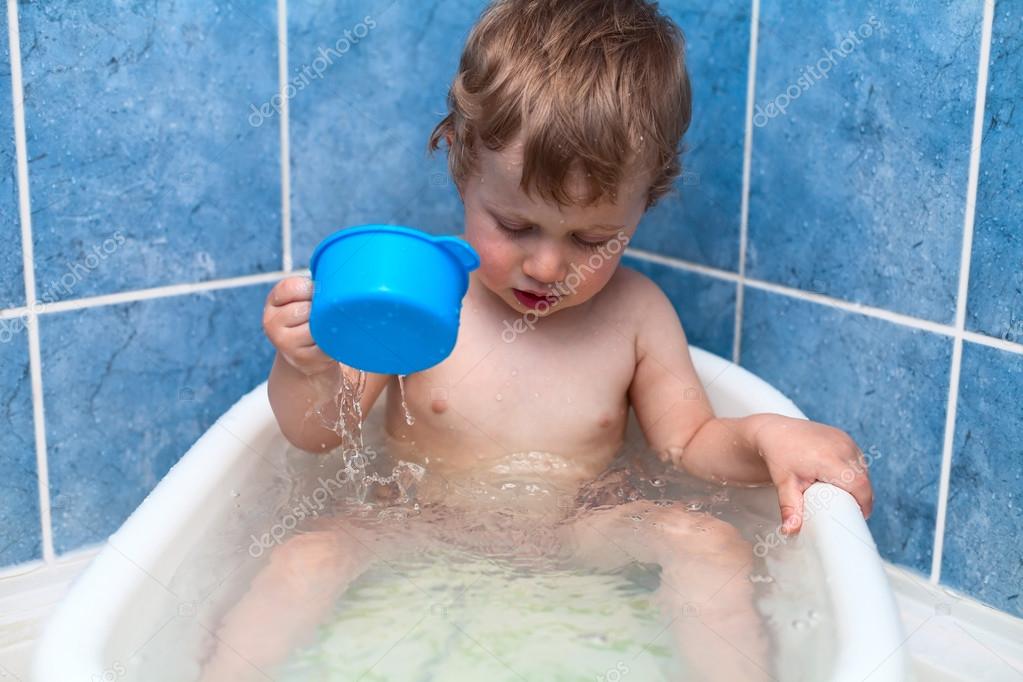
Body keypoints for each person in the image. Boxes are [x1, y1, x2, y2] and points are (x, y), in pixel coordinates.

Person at [201, 1, 873, 679]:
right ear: (462, 165)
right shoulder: (424, 298)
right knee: (305, 555)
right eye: (515, 225)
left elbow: (688, 444)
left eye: (590, 238)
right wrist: (305, 367)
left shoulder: (635, 314)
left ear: (646, 203)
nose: (549, 267)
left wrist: (765, 435)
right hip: (418, 521)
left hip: (578, 530)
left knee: (707, 542)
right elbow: (323, 434)